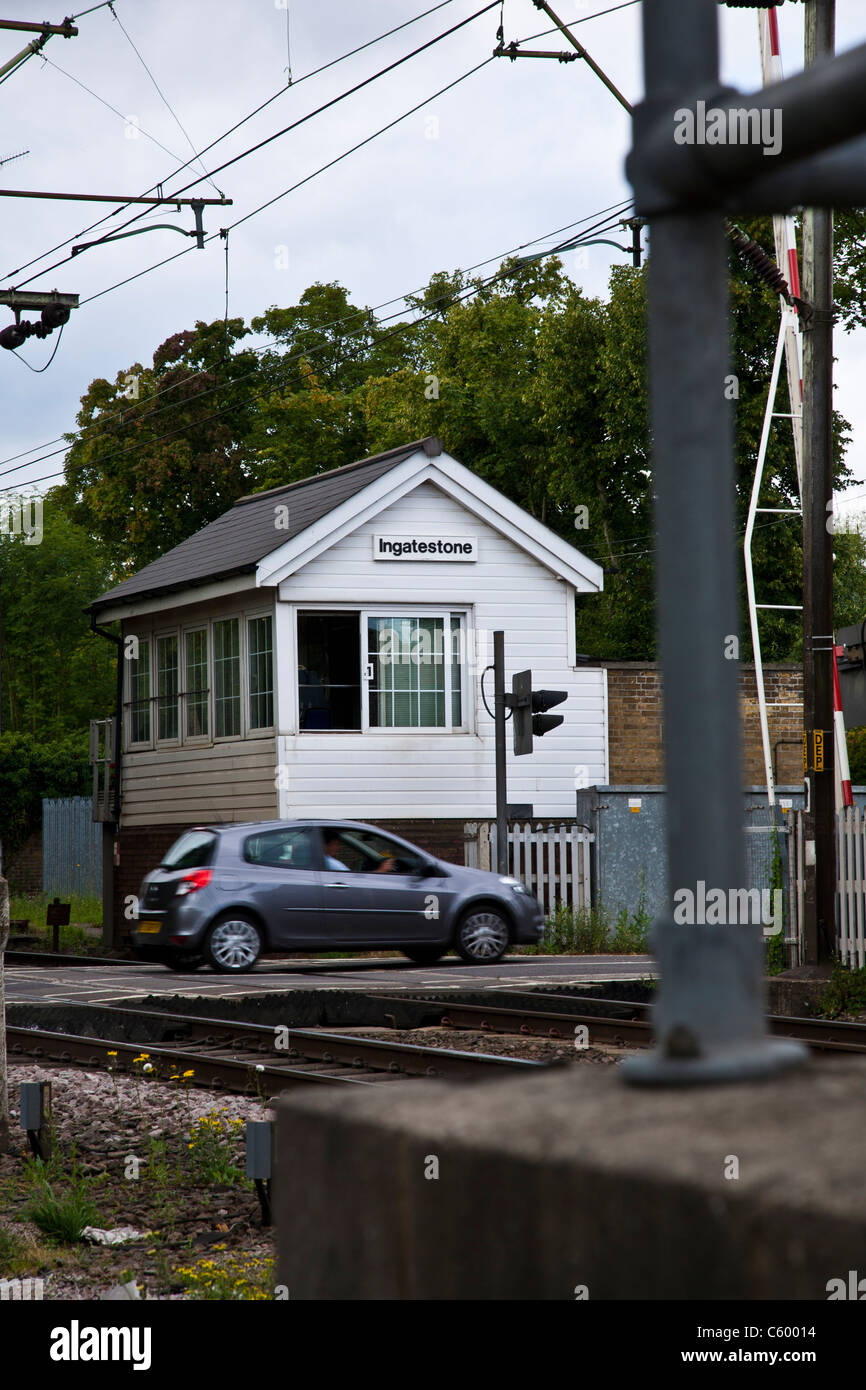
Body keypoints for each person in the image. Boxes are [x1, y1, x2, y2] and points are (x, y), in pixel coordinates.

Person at [322, 829, 395, 874]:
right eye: (335, 844)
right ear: (325, 845)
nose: (338, 847)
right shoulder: (332, 863)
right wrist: (381, 870)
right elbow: (354, 881)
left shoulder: (322, 860)